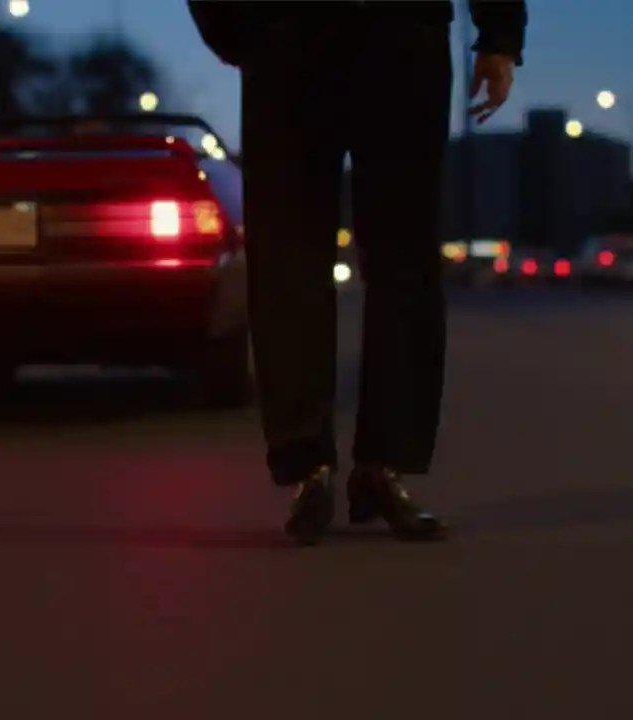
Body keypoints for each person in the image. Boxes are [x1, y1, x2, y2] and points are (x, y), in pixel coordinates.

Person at [188, 0, 527, 545]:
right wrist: (231, 26)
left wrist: (500, 36)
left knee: (404, 263)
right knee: (290, 261)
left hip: (395, 34)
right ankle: (309, 465)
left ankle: (381, 466)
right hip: (291, 34)